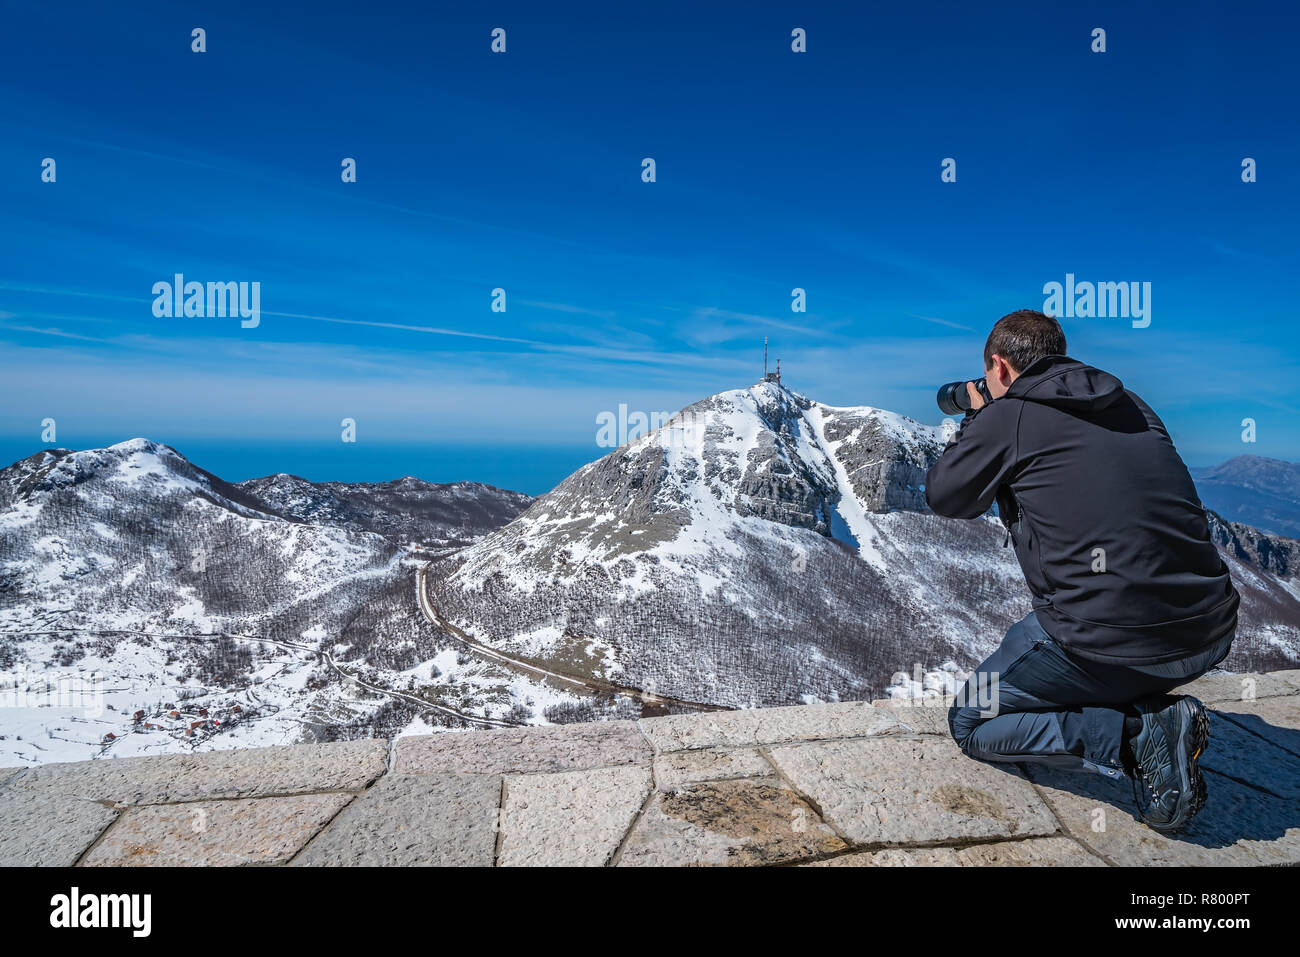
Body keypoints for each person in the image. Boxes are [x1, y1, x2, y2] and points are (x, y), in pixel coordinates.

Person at [926, 309, 1239, 833]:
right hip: (1209, 633)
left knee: (973, 722)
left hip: (1103, 643)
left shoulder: (1011, 416)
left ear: (999, 367)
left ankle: (1135, 735)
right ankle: (1139, 703)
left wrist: (979, 415)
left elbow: (946, 496)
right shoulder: (1133, 402)